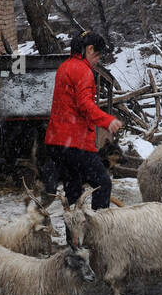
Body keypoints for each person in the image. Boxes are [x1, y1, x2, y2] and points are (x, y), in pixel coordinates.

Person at [41, 31, 122, 210]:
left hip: (58, 142)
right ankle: (96, 232)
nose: (97, 61)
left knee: (74, 193)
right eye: (98, 56)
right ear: (90, 49)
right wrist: (107, 120)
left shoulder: (65, 67)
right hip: (75, 143)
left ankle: (74, 237)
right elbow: (84, 104)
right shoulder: (83, 71)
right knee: (102, 184)